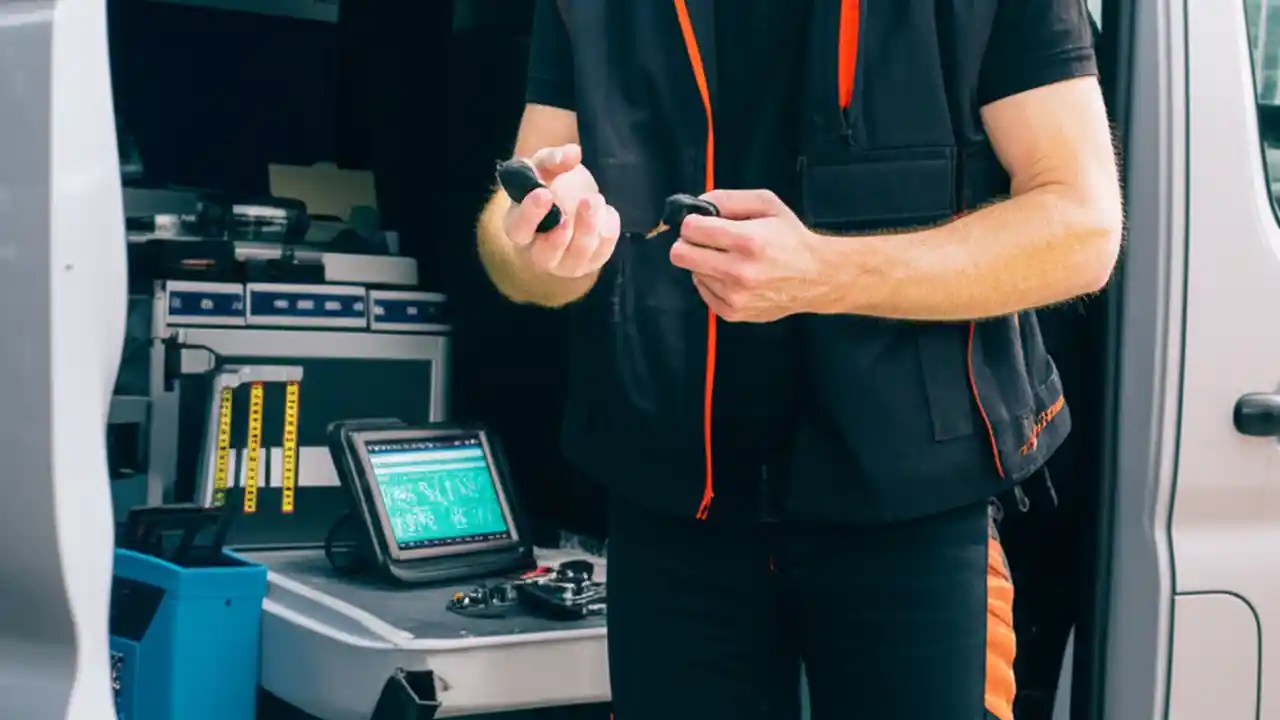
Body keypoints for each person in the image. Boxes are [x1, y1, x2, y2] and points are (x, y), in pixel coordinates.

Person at [475, 1, 1121, 718]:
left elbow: (1081, 227)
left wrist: (823, 274)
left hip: (916, 517)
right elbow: (513, 252)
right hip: (671, 515)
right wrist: (542, 242)